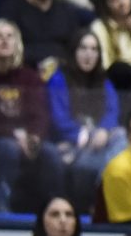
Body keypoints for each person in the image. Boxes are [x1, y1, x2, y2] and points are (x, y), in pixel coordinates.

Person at [0, 18, 65, 214]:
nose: (5, 40)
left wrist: (34, 137)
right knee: (8, 148)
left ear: (17, 43)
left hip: (25, 139)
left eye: (10, 36)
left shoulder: (29, 77)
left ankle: (53, 208)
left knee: (50, 153)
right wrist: (15, 135)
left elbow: (40, 113)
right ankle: (1, 206)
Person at [48, 27, 123, 200]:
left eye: (94, 49)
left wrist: (104, 129)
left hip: (98, 145)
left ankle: (103, 186)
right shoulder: (59, 79)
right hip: (71, 143)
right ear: (73, 51)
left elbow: (112, 112)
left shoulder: (104, 82)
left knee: (121, 137)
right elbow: (57, 118)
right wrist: (80, 133)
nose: (88, 54)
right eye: (83, 48)